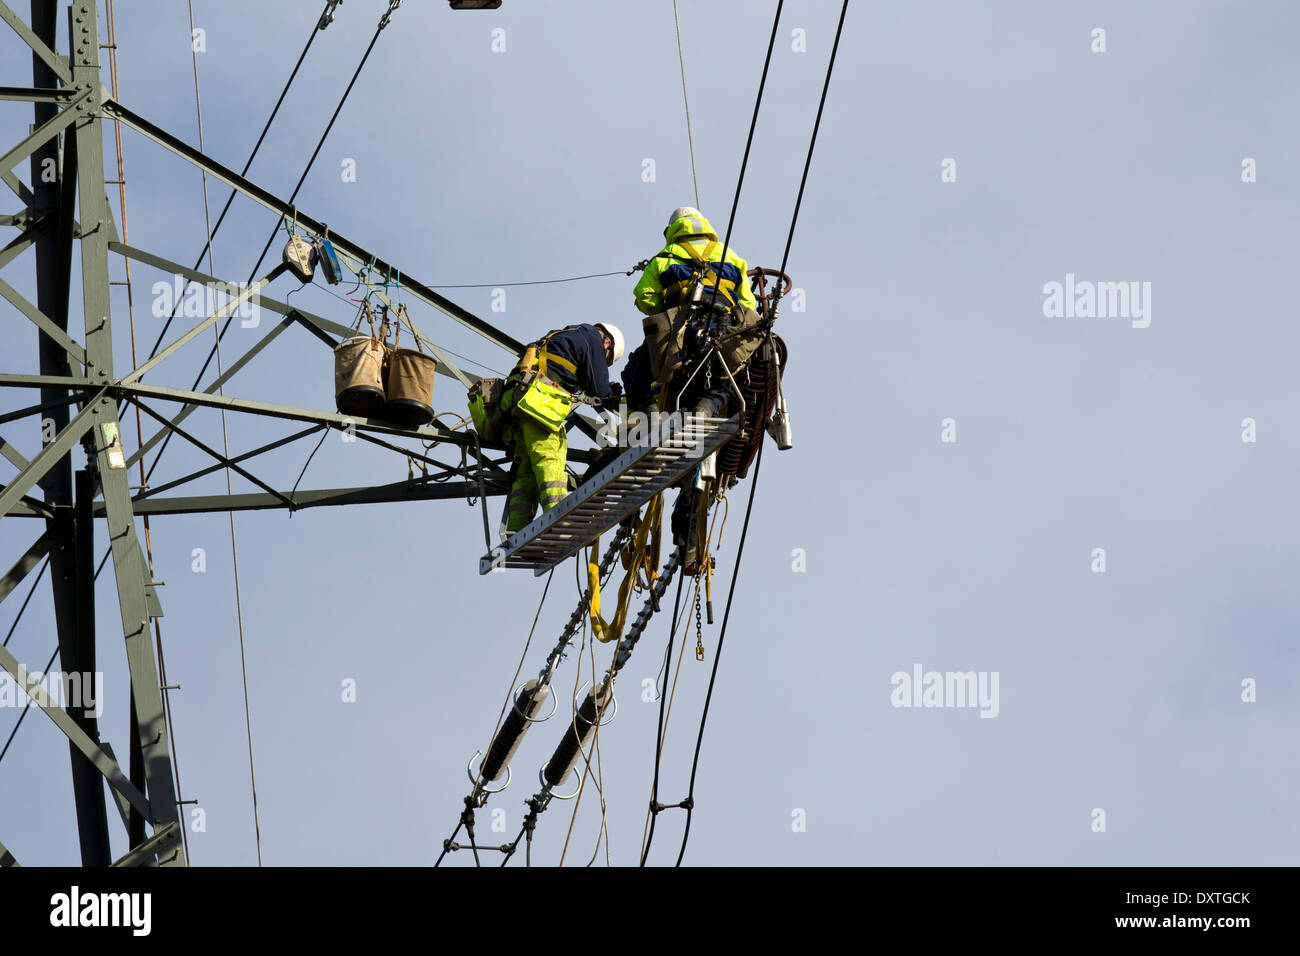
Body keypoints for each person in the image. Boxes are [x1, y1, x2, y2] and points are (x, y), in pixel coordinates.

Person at [500, 323, 624, 534]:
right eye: (606, 358)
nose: (603, 361)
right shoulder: (593, 338)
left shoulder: (568, 335)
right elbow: (599, 388)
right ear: (607, 343)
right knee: (551, 457)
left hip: (514, 401)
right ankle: (559, 517)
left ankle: (516, 529)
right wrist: (617, 401)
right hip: (536, 403)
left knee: (527, 470)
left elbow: (573, 373)